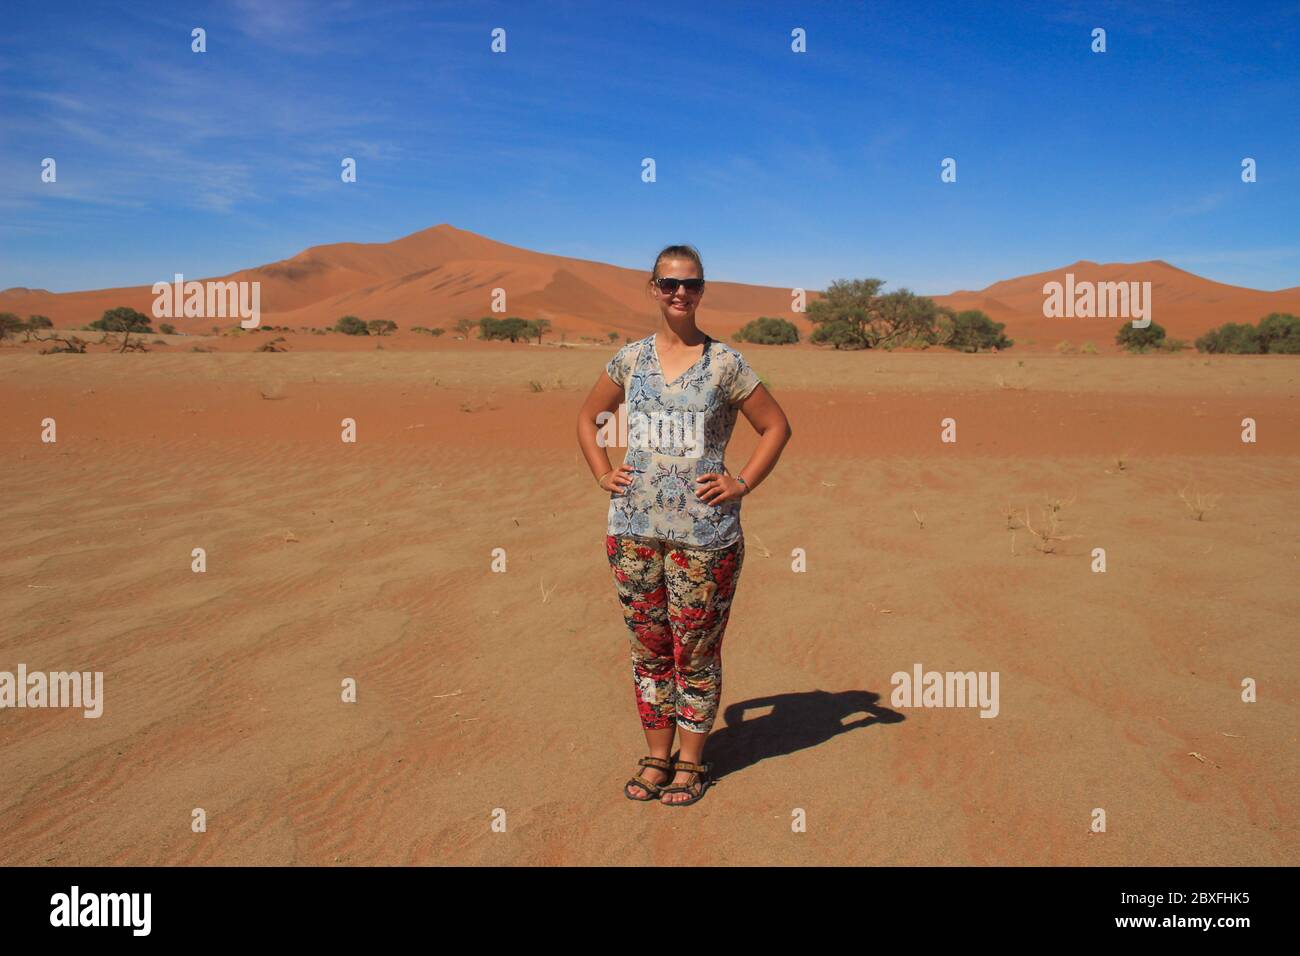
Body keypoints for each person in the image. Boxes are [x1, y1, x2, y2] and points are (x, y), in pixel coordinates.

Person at [576, 244, 793, 805]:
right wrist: (603, 472)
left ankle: (691, 763)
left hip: (705, 536)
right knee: (648, 649)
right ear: (653, 287)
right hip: (631, 531)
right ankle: (656, 756)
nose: (680, 293)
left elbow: (776, 427)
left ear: (701, 290)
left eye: (690, 284)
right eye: (669, 283)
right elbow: (588, 416)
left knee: (694, 650)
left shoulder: (726, 364)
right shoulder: (630, 359)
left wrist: (741, 482)